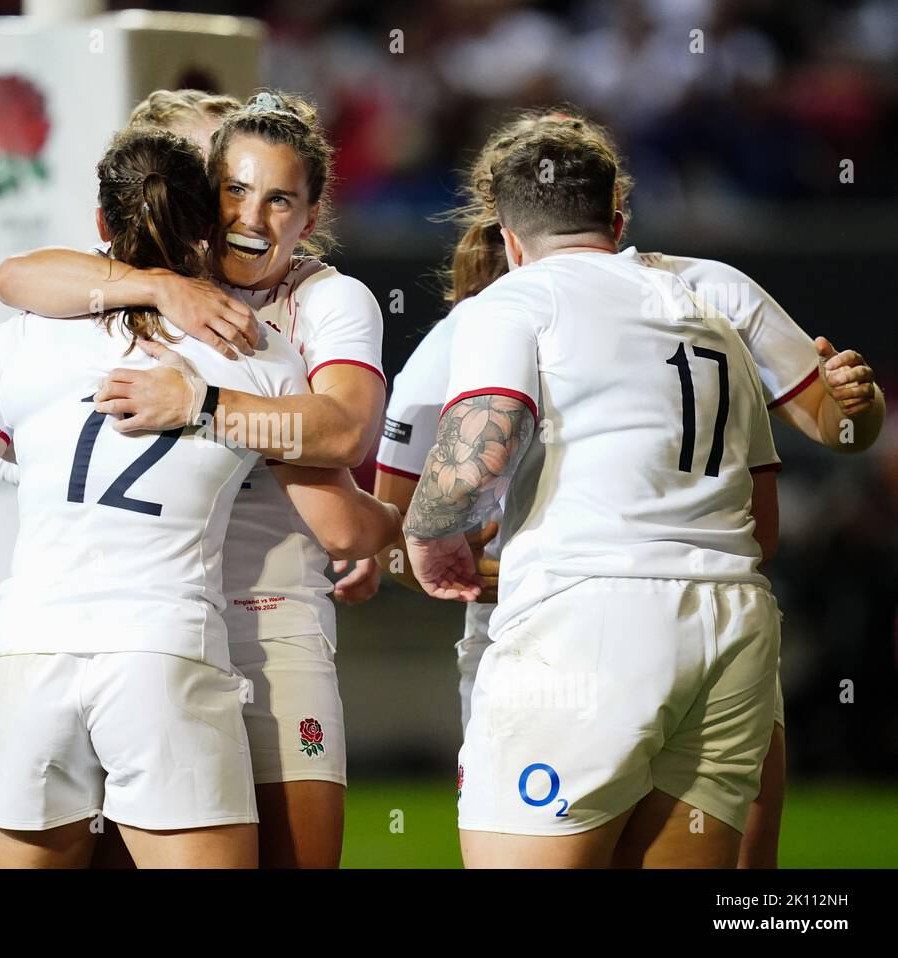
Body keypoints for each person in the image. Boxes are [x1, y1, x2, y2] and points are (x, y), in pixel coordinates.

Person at [376, 110, 885, 868]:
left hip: (585, 622)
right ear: (616, 216)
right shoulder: (710, 309)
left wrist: (428, 538)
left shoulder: (510, 304)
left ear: (509, 237)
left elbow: (478, 441)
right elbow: (780, 500)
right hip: (731, 617)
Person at [0, 125, 400, 868]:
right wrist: (403, 523)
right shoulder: (253, 349)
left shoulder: (24, 338)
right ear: (204, 216)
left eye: (279, 198)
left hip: (42, 649)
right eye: (234, 192)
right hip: (169, 645)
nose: (252, 217)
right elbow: (347, 523)